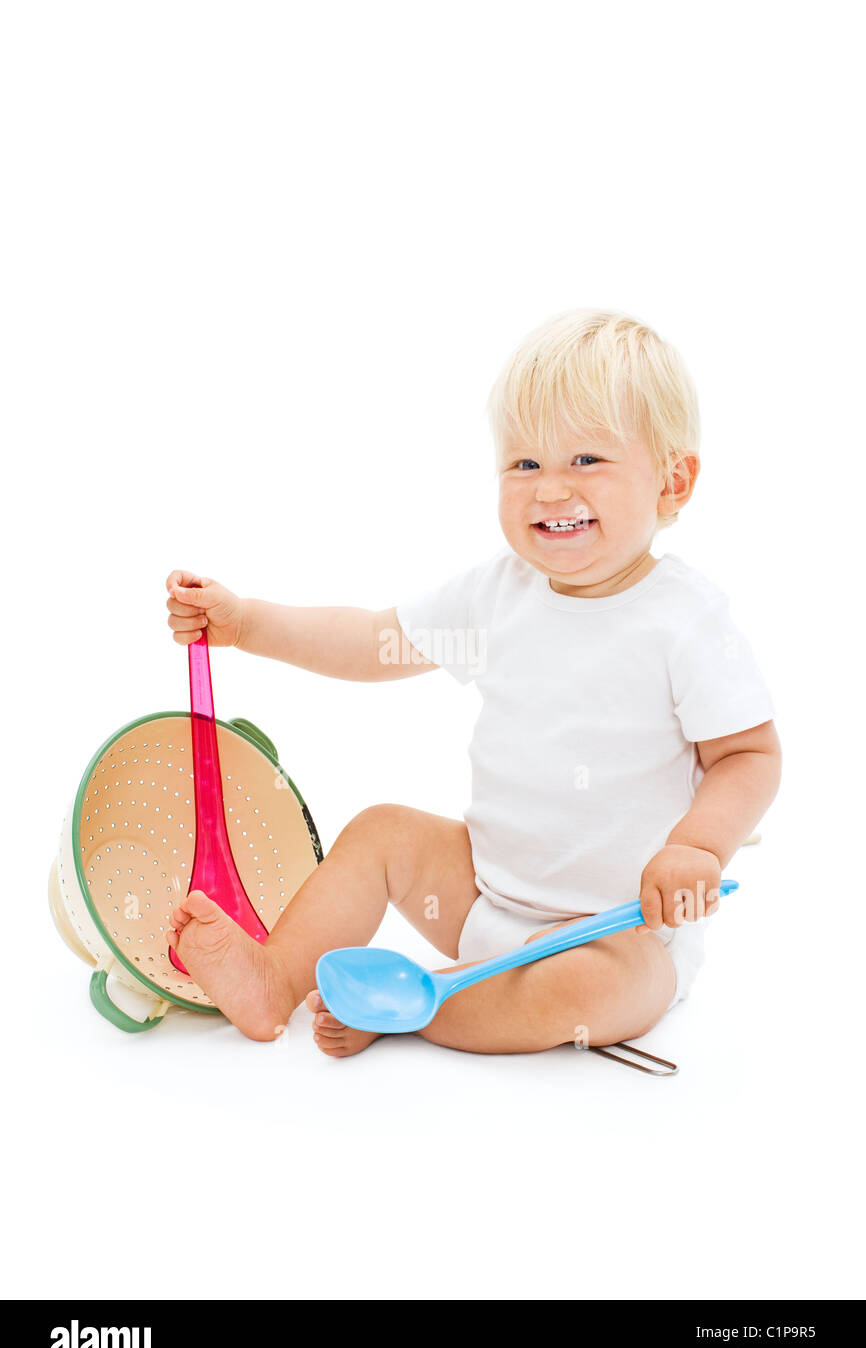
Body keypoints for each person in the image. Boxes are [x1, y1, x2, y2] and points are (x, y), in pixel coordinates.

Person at [165, 307, 781, 1055]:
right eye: (524, 465)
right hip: (483, 899)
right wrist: (249, 624)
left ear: (673, 482)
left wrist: (698, 849)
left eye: (586, 460)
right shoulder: (499, 593)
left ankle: (415, 1010)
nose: (550, 490)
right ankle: (274, 977)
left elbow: (748, 757)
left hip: (622, 938)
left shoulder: (684, 620)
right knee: (383, 832)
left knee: (581, 990)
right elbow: (372, 641)